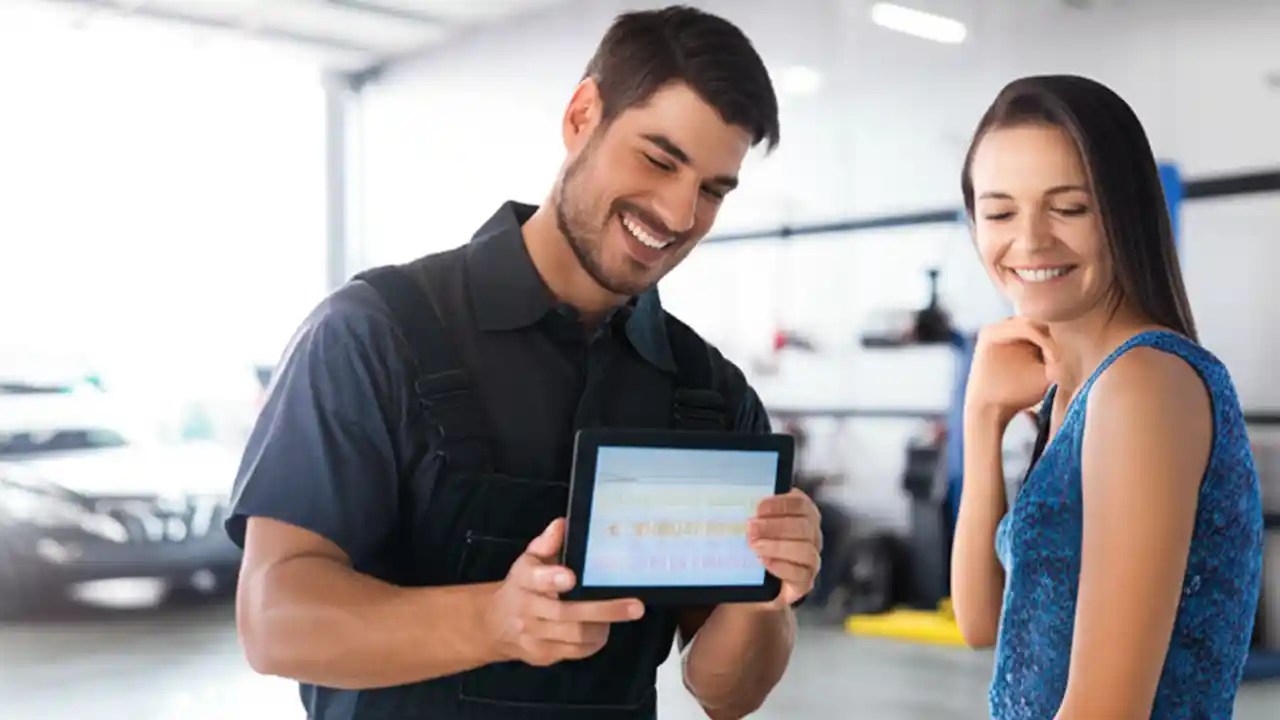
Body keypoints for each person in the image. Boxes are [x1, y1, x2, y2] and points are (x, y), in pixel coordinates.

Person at [225, 6, 822, 720]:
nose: (678, 211)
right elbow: (273, 619)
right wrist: (493, 621)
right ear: (581, 115)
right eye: (659, 160)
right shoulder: (375, 335)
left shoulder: (709, 395)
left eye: (714, 189)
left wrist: (767, 592)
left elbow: (728, 694)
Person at [949, 74, 1263, 719]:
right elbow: (981, 622)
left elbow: (1105, 710)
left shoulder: (1142, 385)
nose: (1030, 241)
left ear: (1124, 211)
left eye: (1069, 207)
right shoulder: (1083, 392)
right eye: (1000, 212)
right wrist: (982, 417)